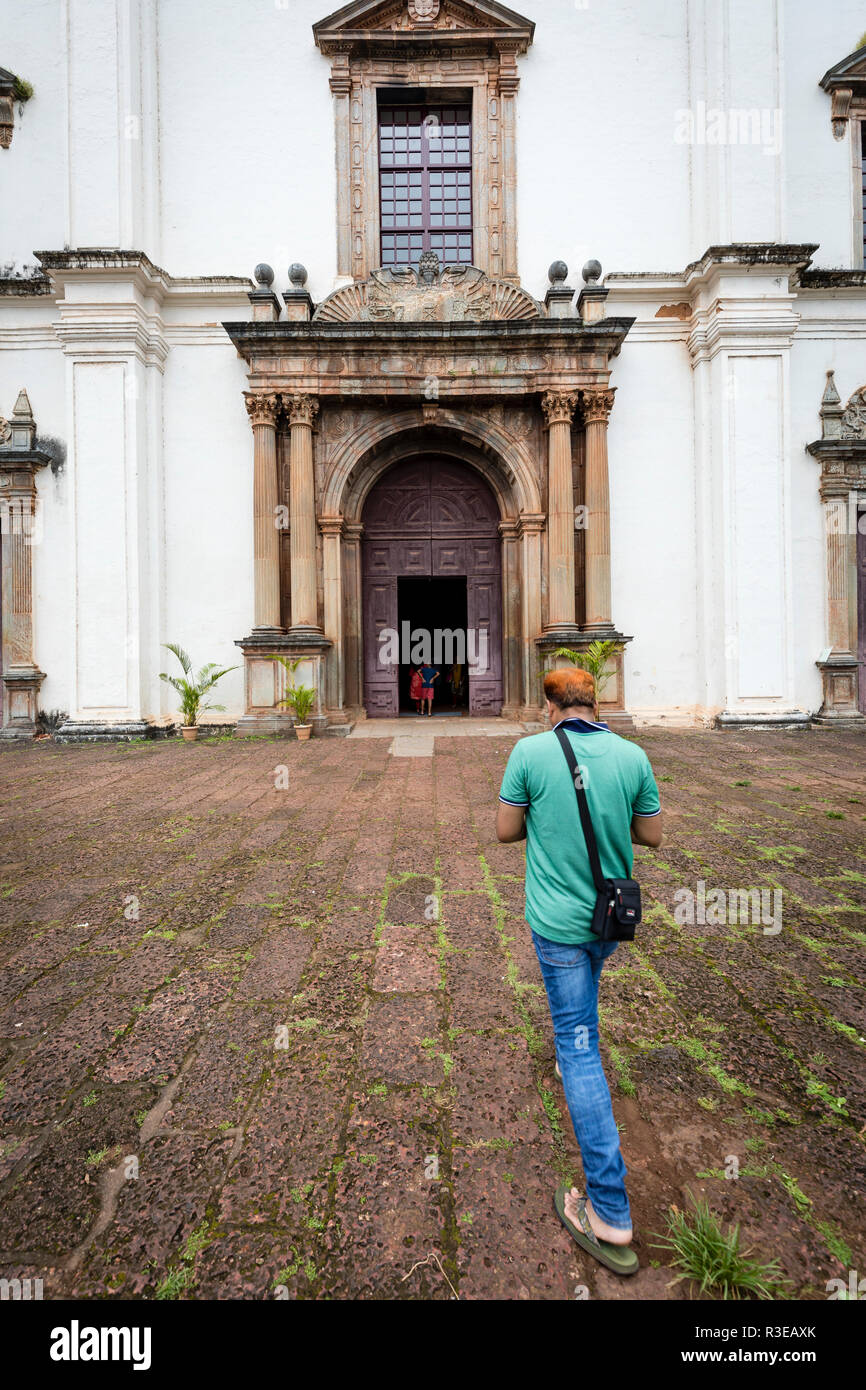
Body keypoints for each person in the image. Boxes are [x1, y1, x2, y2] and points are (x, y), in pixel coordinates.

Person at [495, 667, 663, 1276]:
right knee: (582, 1003)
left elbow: (505, 830)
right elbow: (653, 834)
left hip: (558, 923)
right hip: (609, 920)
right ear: (596, 702)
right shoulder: (631, 753)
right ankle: (576, 1039)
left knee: (578, 1044)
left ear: (548, 706)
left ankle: (609, 1212)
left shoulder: (531, 751)